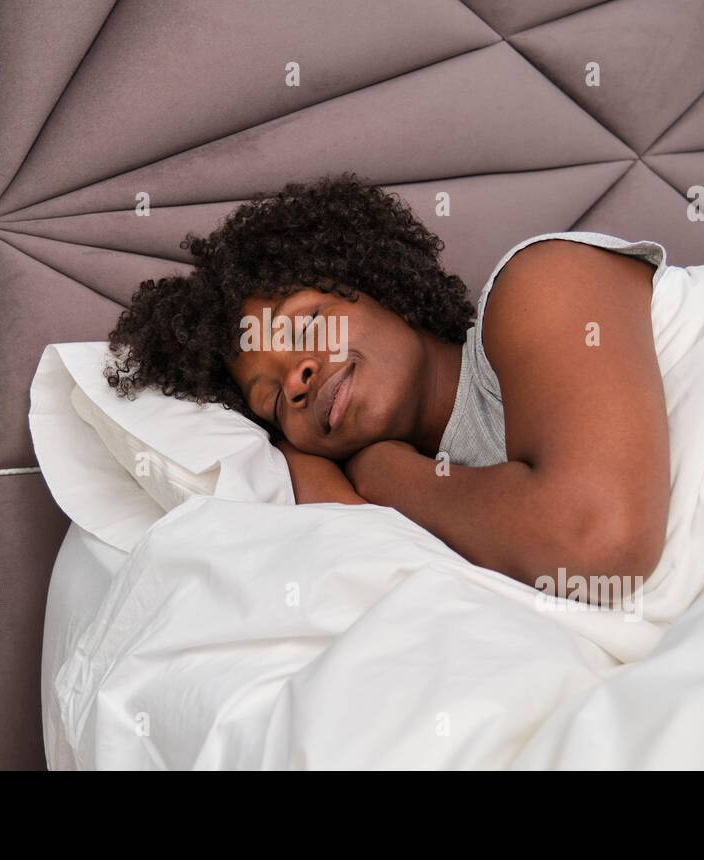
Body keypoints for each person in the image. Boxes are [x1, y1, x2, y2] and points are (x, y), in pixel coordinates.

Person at [106, 171, 669, 593]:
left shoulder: (542, 282)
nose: (299, 377)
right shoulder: (376, 487)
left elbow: (598, 545)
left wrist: (386, 472)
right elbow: (374, 582)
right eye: (275, 400)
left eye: (307, 323)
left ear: (382, 288)